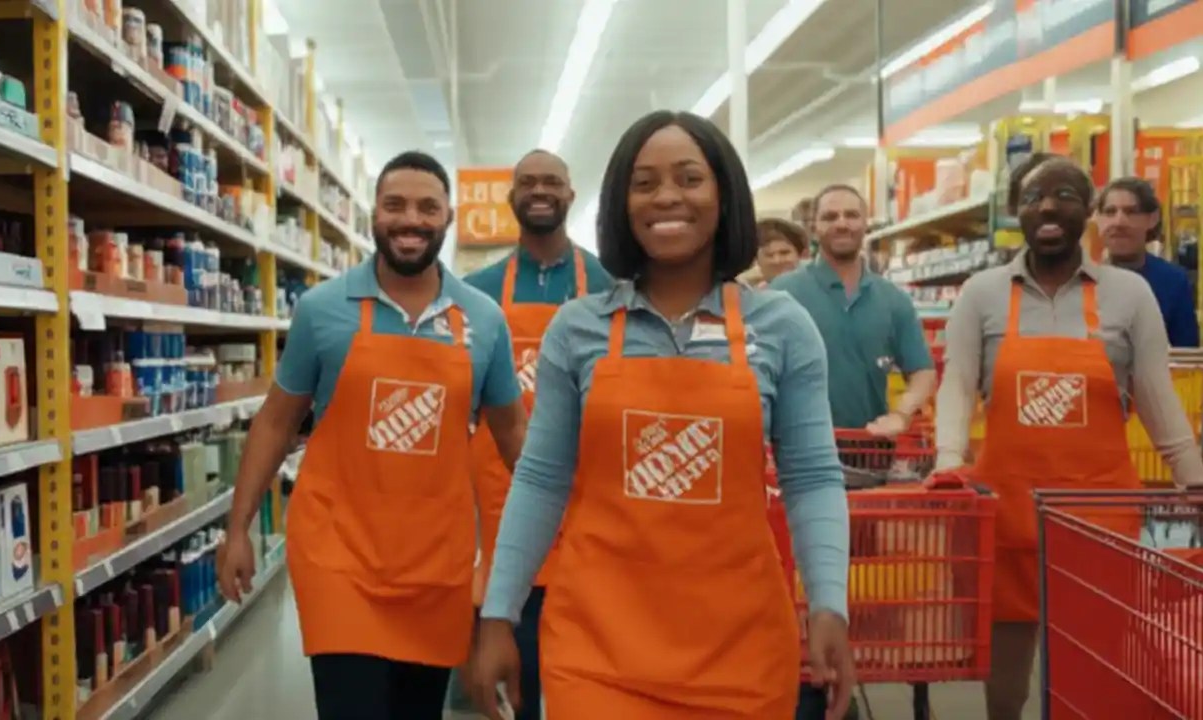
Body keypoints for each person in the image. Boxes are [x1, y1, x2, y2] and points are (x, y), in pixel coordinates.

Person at [466, 110, 854, 720]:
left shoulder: (780, 328)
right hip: (595, 648)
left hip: (741, 647)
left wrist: (831, 602)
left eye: (689, 178)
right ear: (621, 204)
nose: (667, 196)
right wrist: (498, 614)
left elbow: (811, 478)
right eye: (643, 183)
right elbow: (540, 479)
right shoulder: (579, 328)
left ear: (724, 195)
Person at [216, 150, 528, 720]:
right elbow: (277, 421)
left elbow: (515, 442)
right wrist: (237, 528)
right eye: (395, 205)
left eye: (427, 207)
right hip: (339, 558)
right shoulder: (323, 309)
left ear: (448, 218)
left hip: (437, 565)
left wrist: (562, 539)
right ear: (373, 216)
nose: (411, 219)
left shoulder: (484, 321)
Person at [933, 153, 1203, 720]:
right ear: (1016, 212)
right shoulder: (981, 293)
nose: (1049, 207)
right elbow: (957, 386)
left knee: (1096, 659)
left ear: (1088, 211)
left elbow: (1157, 398)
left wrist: (1195, 479)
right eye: (1034, 197)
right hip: (1007, 505)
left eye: (1065, 195)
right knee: (1006, 666)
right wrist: (949, 460)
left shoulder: (1130, 296)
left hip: (1099, 510)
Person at [460, 149, 612, 720]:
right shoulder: (475, 293)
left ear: (571, 195)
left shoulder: (608, 285)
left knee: (586, 680)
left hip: (591, 508)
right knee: (512, 684)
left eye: (552, 181)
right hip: (503, 511)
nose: (540, 190)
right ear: (512, 197)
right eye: (528, 182)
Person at [770, 184, 937, 437]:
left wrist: (900, 415)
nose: (841, 224)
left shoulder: (893, 300)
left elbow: (922, 370)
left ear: (865, 224)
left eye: (851, 215)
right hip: (796, 453)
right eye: (830, 217)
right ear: (813, 228)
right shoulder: (783, 294)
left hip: (870, 450)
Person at [1094, 176, 1199, 347]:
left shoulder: (1173, 282)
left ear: (1152, 219)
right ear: (1098, 219)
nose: (1119, 222)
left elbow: (1184, 356)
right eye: (1110, 212)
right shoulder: (1081, 279)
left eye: (1131, 212)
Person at [755, 217, 809, 283]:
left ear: (803, 255)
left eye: (784, 253)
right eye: (769, 255)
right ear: (757, 261)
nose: (777, 261)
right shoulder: (749, 292)